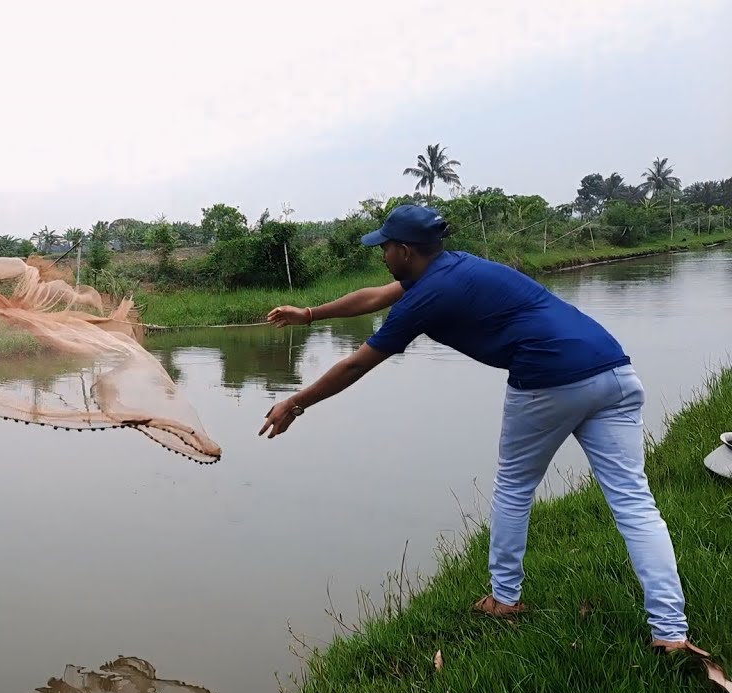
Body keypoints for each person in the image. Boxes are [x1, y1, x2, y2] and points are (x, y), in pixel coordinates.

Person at [259, 203, 697, 653]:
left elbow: (356, 365)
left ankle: (504, 599)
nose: (383, 255)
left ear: (406, 251)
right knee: (634, 503)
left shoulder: (427, 297)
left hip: (548, 378)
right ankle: (670, 632)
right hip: (613, 369)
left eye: (385, 248)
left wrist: (295, 403)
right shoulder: (454, 265)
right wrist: (309, 314)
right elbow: (374, 296)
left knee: (513, 486)